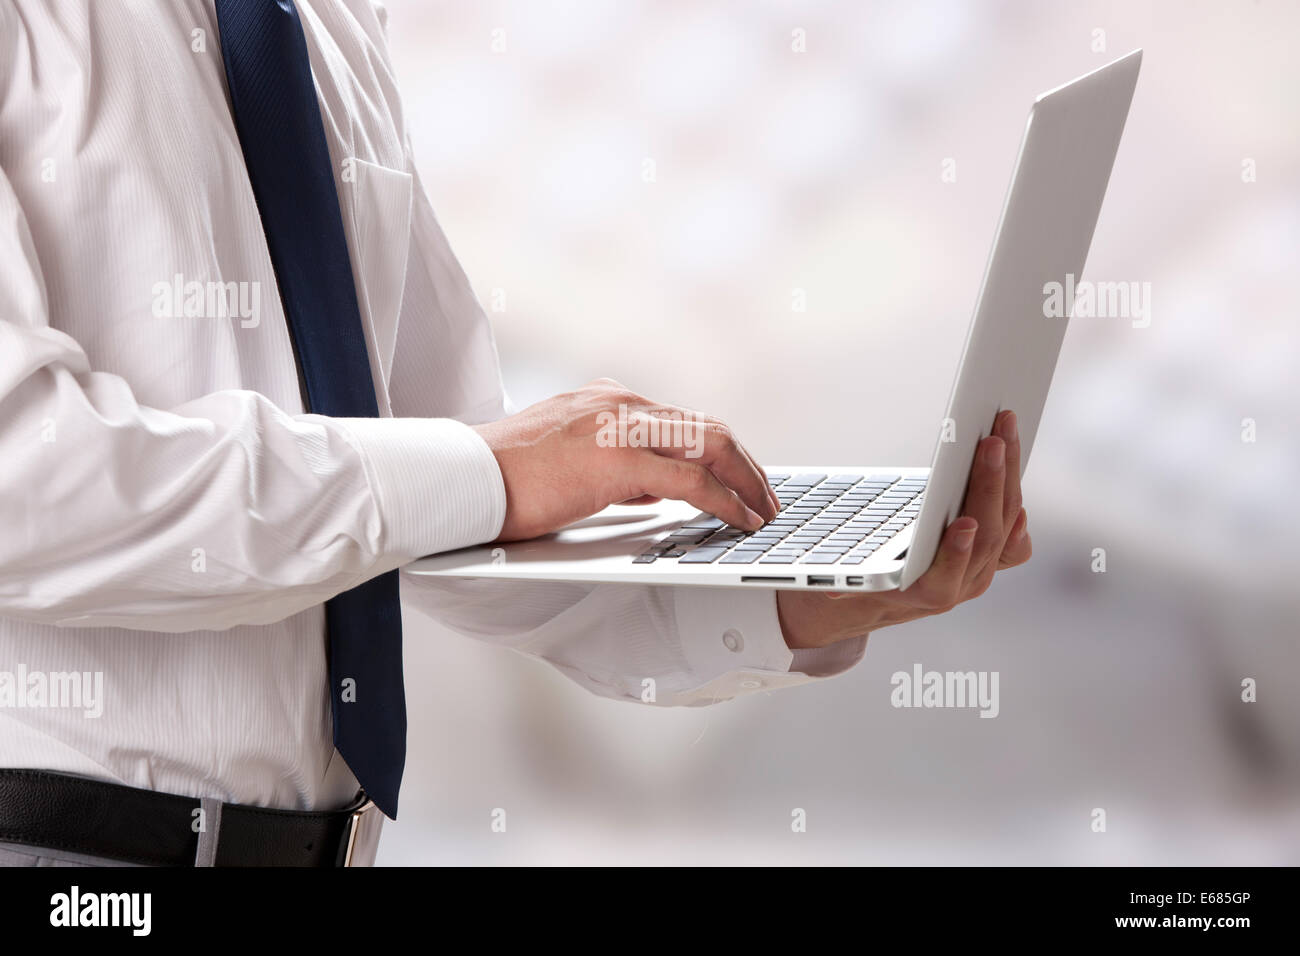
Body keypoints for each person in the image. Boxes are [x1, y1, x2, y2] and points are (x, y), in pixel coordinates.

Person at [0, 0, 1031, 867]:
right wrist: (492, 467)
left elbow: (447, 499)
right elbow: (24, 479)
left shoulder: (329, 25)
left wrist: (796, 598)